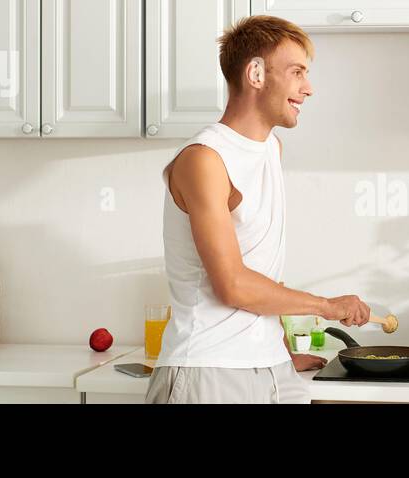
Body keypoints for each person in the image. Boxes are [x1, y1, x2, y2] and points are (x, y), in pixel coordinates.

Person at [147, 16, 371, 404]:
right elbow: (233, 284)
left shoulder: (271, 150)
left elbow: (261, 270)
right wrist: (327, 307)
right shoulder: (204, 160)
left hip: (269, 369)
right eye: (297, 71)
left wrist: (280, 350)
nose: (308, 87)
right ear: (255, 74)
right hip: (208, 371)